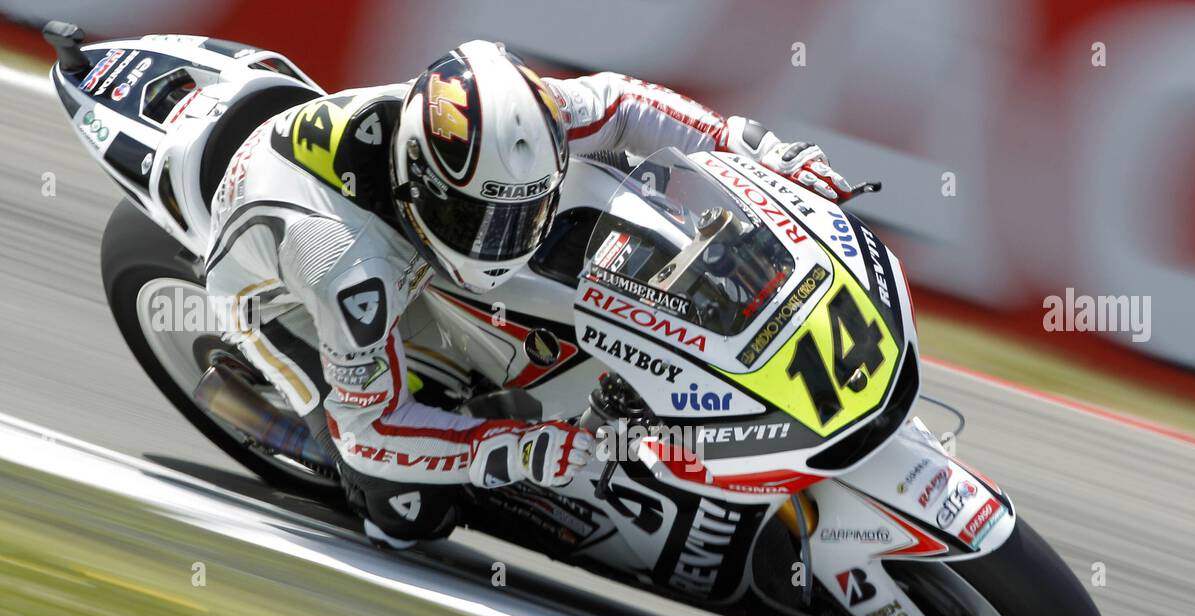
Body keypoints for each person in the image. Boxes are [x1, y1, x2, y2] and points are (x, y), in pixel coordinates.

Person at [205, 39, 856, 546]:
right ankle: (263, 416)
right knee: (405, 509)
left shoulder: (513, 126)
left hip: (393, 230)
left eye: (523, 214)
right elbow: (371, 427)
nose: (507, 241)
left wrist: (750, 145)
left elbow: (623, 106)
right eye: (483, 224)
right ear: (424, 188)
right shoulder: (348, 272)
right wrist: (509, 448)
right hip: (273, 288)